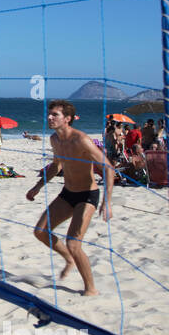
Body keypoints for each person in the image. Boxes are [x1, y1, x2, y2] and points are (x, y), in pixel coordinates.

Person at [26, 100, 114, 298]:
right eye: (49, 114)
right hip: (67, 193)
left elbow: (109, 167)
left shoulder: (81, 140)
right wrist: (37, 187)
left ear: (67, 119)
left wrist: (107, 202)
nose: (49, 118)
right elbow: (56, 166)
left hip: (87, 195)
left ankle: (91, 288)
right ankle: (69, 259)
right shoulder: (54, 140)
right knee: (40, 231)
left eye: (54, 115)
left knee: (74, 243)